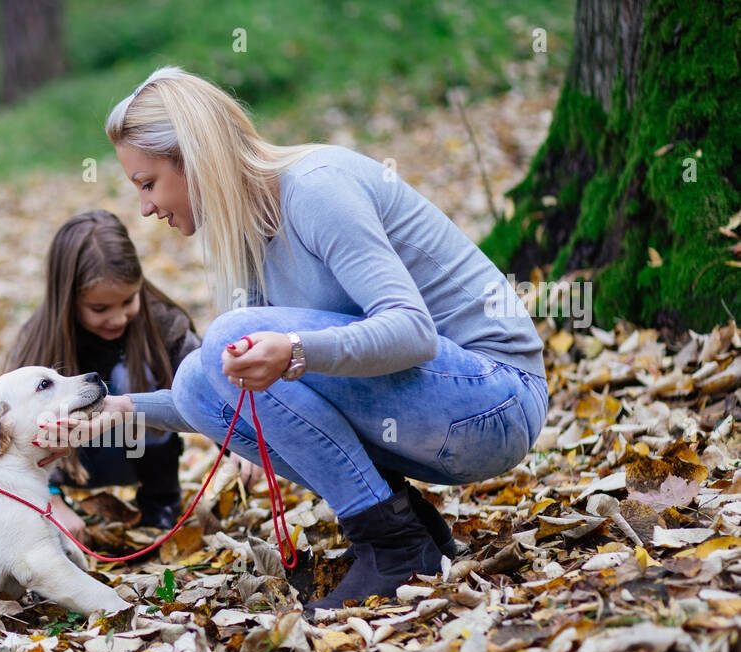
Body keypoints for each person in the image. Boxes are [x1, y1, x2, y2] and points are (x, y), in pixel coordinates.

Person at [41, 66, 549, 609]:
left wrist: (297, 353)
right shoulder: (247, 232)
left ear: (196, 159)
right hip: (436, 420)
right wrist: (121, 408)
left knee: (230, 339)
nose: (144, 207)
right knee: (196, 379)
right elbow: (228, 389)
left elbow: (413, 332)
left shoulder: (316, 187)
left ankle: (390, 547)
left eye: (148, 183)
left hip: (495, 401)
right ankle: (410, 533)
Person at [4, 209, 247, 541]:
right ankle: (59, 505)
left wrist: (241, 449)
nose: (117, 318)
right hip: (71, 461)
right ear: (68, 300)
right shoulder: (41, 342)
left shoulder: (163, 323)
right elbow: (9, 432)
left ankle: (160, 503)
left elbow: (210, 389)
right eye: (100, 309)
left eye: (128, 300)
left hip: (140, 453)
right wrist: (49, 499)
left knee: (134, 375)